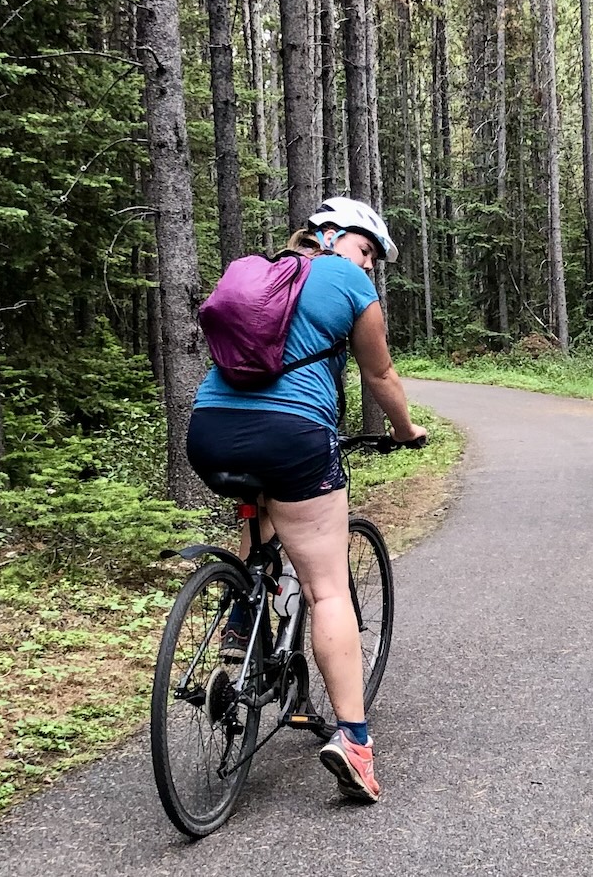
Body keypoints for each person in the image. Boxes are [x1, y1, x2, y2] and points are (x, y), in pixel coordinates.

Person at [186, 197, 426, 804]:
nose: (367, 265)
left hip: (208, 432)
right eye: (367, 249)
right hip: (293, 436)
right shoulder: (345, 280)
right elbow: (380, 376)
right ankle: (354, 742)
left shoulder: (259, 269)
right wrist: (405, 430)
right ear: (336, 237)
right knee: (327, 589)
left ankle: (239, 635)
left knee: (260, 518)